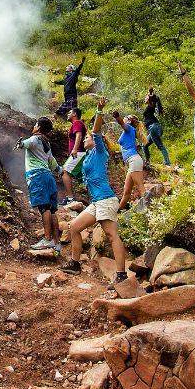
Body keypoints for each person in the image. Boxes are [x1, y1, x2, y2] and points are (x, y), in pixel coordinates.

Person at [60, 97, 128, 288]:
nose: (86, 139)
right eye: (88, 138)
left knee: (112, 235)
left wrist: (99, 110)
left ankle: (121, 275)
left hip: (106, 200)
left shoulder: (99, 152)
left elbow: (96, 130)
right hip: (97, 202)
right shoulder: (89, 156)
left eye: (88, 138)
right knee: (74, 227)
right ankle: (74, 264)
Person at [19, 117, 61, 251]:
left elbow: (25, 144)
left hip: (37, 178)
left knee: (44, 208)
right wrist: (60, 170)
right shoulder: (46, 144)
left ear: (38, 127)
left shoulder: (34, 139)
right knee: (52, 210)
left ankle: (47, 239)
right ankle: (57, 242)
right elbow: (53, 162)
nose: (33, 126)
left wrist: (20, 144)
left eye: (35, 124)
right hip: (49, 177)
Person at [116, 112, 144, 211]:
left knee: (140, 187)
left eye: (126, 117)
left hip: (133, 160)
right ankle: (118, 212)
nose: (124, 118)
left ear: (129, 121)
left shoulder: (129, 128)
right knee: (126, 192)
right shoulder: (128, 131)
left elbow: (120, 122)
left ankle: (149, 211)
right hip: (131, 162)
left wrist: (117, 116)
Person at [60, 108, 85, 205]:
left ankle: (70, 198)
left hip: (79, 152)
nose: (67, 114)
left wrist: (75, 149)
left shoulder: (77, 123)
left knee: (64, 171)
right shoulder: (77, 124)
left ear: (75, 114)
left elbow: (79, 136)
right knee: (82, 177)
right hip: (79, 153)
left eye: (70, 112)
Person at [142, 86, 170, 166]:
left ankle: (168, 164)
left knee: (160, 146)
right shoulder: (149, 107)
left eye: (146, 97)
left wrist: (150, 94)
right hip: (155, 127)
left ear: (149, 100)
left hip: (153, 128)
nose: (145, 98)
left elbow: (152, 102)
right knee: (144, 145)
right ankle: (147, 162)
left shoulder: (151, 106)